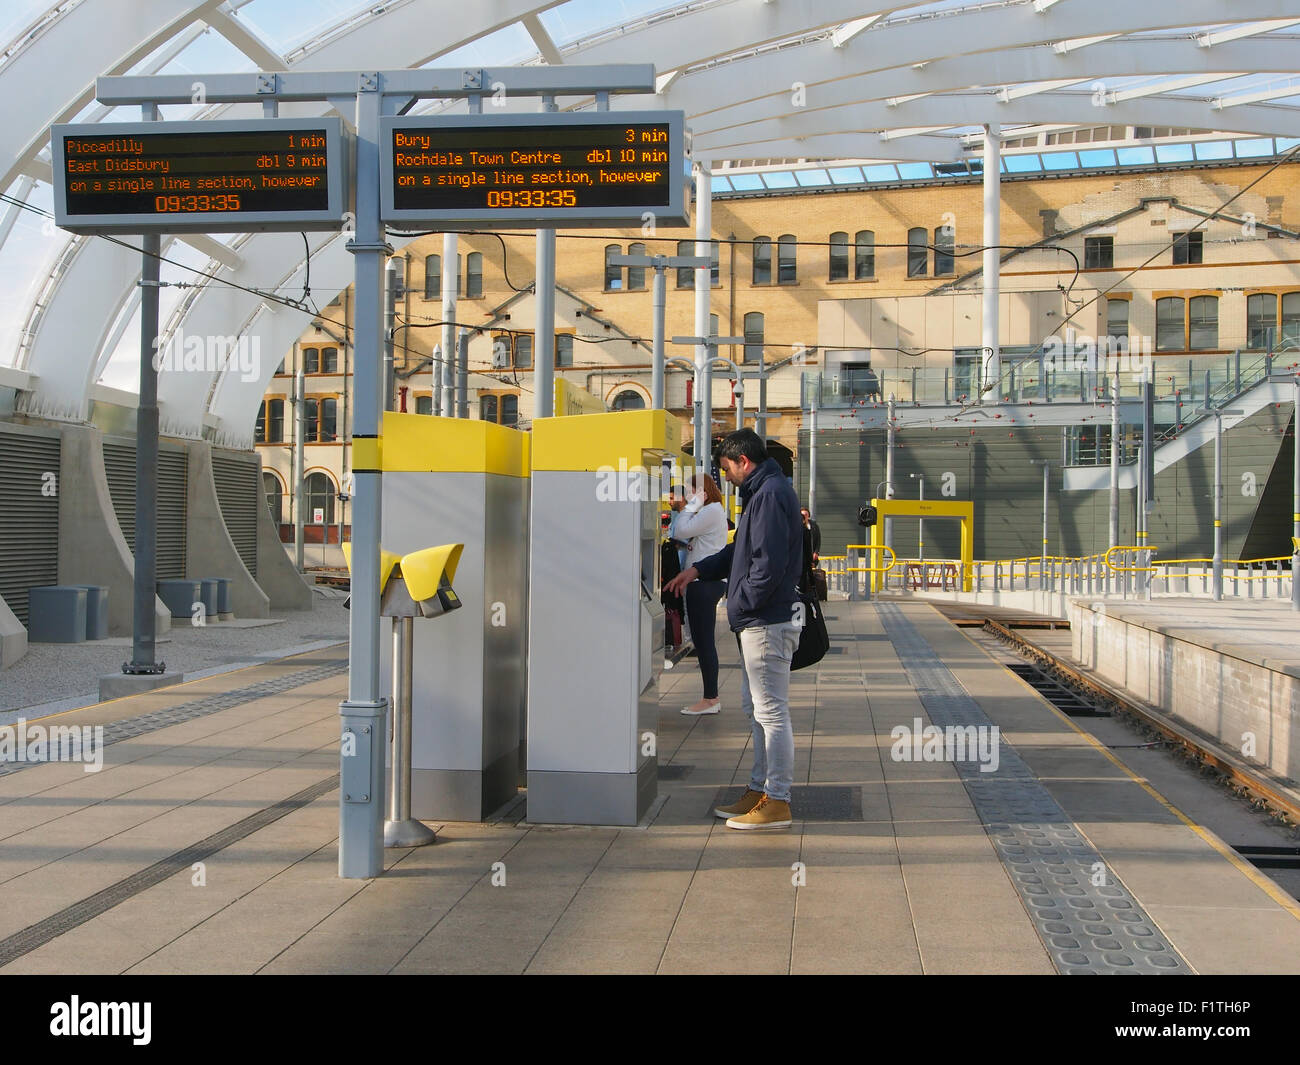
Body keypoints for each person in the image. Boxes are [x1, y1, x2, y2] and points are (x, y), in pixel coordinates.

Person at [665, 428, 804, 831]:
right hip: (759, 620)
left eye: (726, 468)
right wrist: (697, 570)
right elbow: (738, 551)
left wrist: (743, 603)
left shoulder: (771, 496)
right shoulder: (763, 494)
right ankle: (759, 789)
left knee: (771, 713)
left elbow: (766, 565)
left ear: (743, 462)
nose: (724, 477)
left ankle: (777, 800)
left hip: (767, 621)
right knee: (756, 710)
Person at [669, 473, 729, 716]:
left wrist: (688, 508)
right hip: (704, 581)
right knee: (703, 640)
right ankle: (709, 696)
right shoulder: (712, 511)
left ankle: (710, 698)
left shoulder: (711, 510)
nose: (687, 496)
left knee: (704, 642)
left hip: (704, 582)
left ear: (702, 491)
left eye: (690, 491)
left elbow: (679, 530)